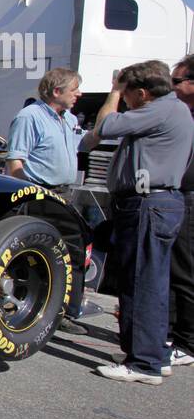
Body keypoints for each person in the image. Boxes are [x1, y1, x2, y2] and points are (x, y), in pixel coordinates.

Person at [80, 60, 194, 383]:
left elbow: (104, 126)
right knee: (152, 281)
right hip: (158, 203)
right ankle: (152, 355)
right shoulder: (175, 111)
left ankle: (143, 363)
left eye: (128, 95)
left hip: (147, 204)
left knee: (141, 282)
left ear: (142, 94)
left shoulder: (159, 109)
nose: (125, 101)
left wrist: (113, 94)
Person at [4, 66, 88, 327]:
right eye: (74, 89)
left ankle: (67, 311)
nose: (79, 94)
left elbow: (85, 143)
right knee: (42, 256)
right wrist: (29, 195)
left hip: (65, 194)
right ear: (57, 91)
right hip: (41, 195)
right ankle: (39, 309)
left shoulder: (69, 120)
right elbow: (15, 160)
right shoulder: (30, 117)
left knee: (73, 253)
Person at [166, 55, 194, 367]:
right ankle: (173, 332)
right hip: (179, 195)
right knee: (174, 268)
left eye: (176, 81)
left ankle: (188, 341)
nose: (171, 88)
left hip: (190, 197)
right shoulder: (183, 115)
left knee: (186, 269)